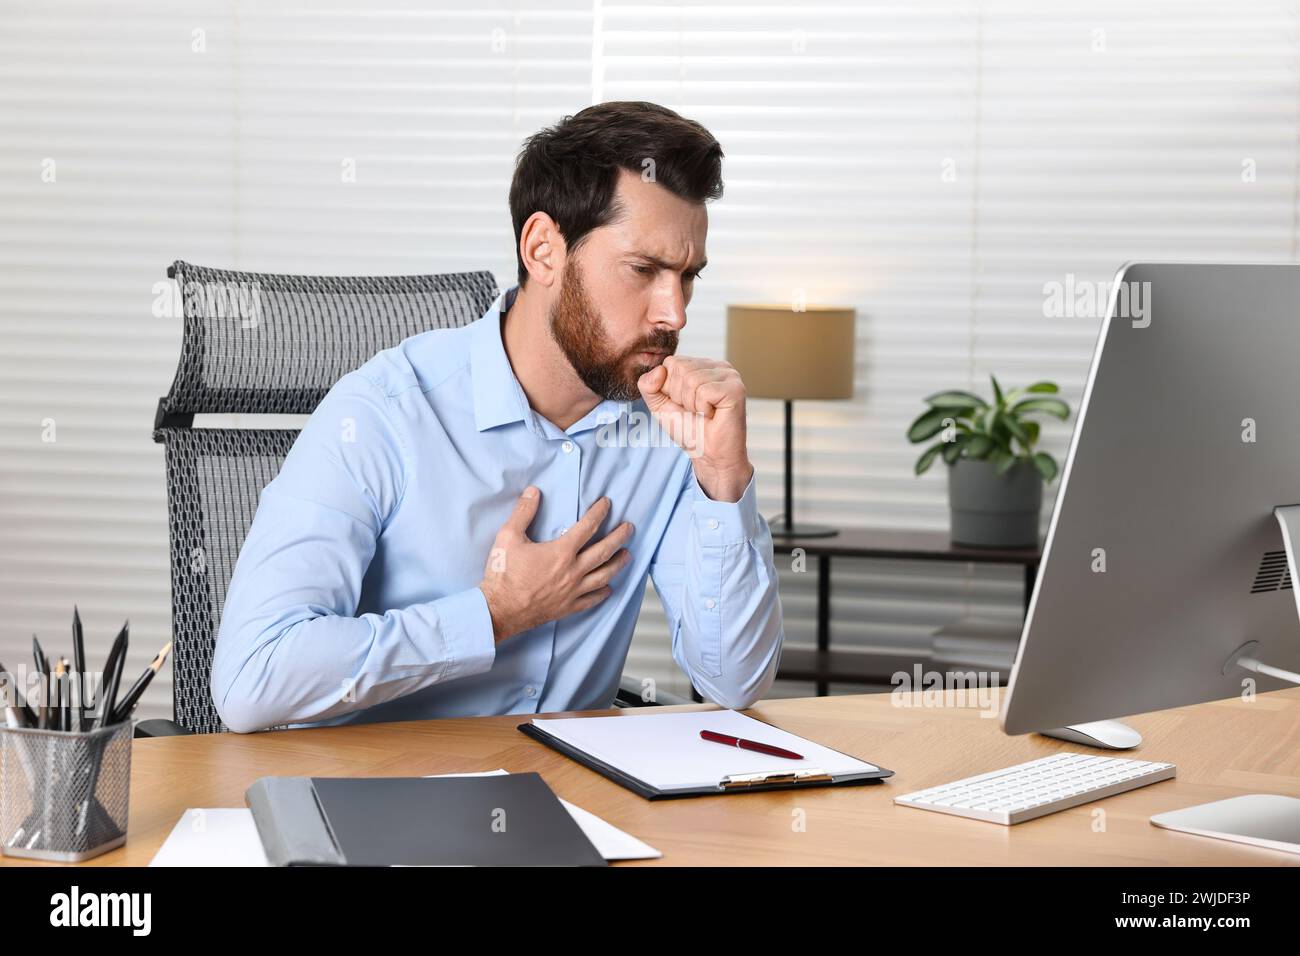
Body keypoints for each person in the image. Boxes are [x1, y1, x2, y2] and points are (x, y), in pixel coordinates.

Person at [211, 101, 784, 733]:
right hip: (377, 805)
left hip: (577, 806)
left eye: (687, 278)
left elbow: (736, 682)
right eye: (644, 270)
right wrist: (495, 613)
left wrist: (723, 483)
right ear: (543, 250)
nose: (673, 314)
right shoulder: (382, 414)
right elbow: (252, 678)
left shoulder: (669, 429)